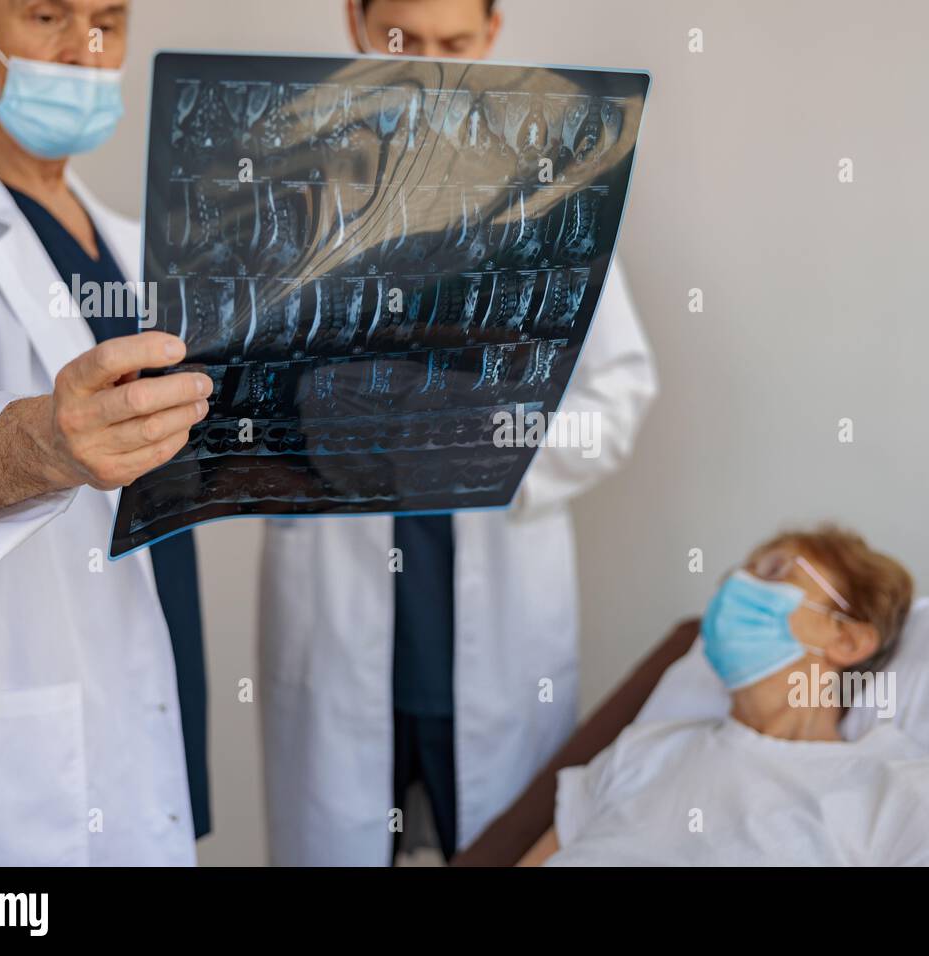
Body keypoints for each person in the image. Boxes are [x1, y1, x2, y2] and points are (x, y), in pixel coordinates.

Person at [258, 0, 658, 865]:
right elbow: (236, 386)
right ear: (357, 24)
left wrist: (497, 441)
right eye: (404, 41)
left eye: (455, 44)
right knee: (338, 831)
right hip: (338, 616)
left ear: (493, 35)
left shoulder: (550, 190)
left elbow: (620, 388)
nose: (430, 66)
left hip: (494, 615)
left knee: (499, 843)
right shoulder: (288, 182)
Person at [0, 0, 214, 864]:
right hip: (14, 749)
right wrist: (47, 442)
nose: (87, 47)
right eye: (48, 14)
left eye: (108, 17)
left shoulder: (123, 237)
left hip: (141, 689)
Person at [519, 526, 929, 866]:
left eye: (773, 573)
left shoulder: (897, 791)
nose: (736, 589)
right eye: (736, 576)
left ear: (848, 639)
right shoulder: (643, 750)